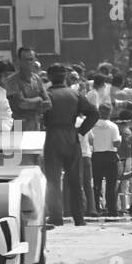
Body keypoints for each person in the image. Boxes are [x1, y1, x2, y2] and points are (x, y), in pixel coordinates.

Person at [42, 66, 99, 226]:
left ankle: (56, 216)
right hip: (71, 137)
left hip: (53, 137)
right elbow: (94, 113)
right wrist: (81, 131)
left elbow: (42, 116)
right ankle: (79, 217)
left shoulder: (47, 95)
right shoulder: (75, 94)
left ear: (50, 76)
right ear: (65, 77)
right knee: (75, 180)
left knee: (53, 180)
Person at [5, 47, 52, 131]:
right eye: (25, 60)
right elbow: (22, 103)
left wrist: (31, 105)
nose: (28, 62)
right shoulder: (12, 80)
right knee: (17, 144)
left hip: (35, 124)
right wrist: (39, 99)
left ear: (34, 61)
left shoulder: (37, 79)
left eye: (31, 59)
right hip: (19, 125)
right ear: (19, 61)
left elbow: (48, 104)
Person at [89, 104, 121, 215]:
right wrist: (121, 140)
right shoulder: (113, 126)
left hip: (96, 156)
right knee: (111, 186)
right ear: (110, 112)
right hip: (110, 156)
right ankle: (112, 210)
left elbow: (90, 141)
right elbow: (116, 143)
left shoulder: (92, 125)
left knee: (96, 185)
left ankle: (95, 208)